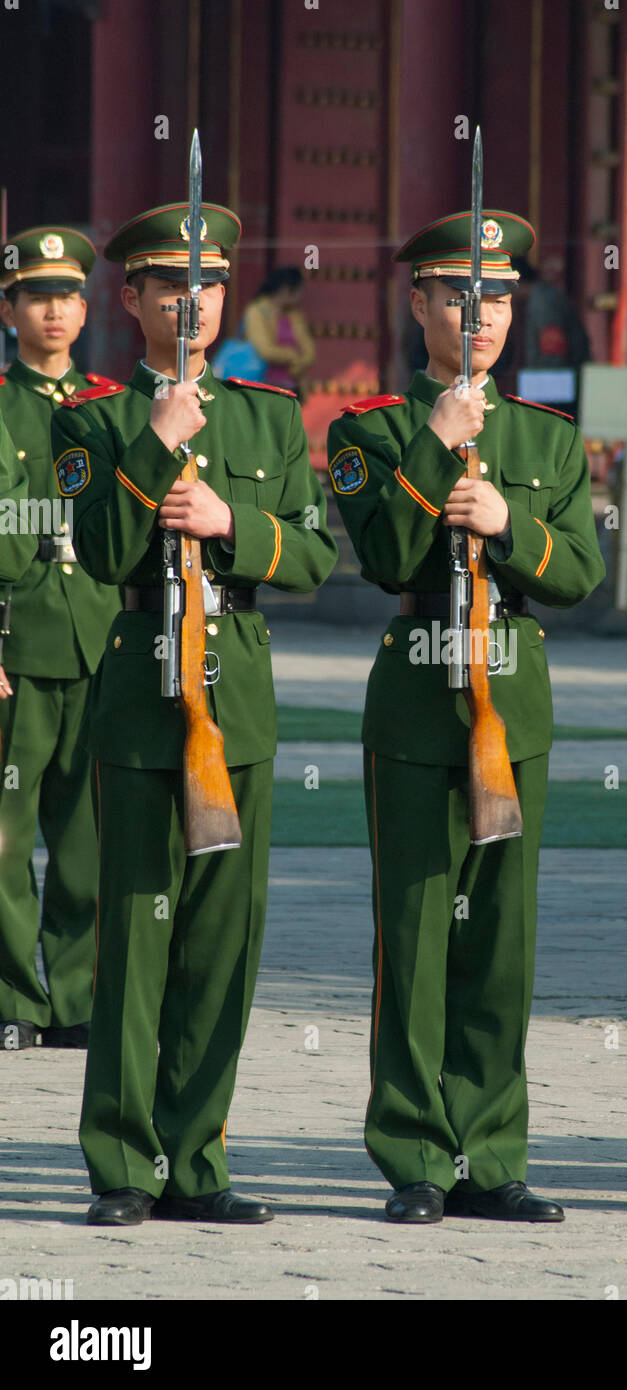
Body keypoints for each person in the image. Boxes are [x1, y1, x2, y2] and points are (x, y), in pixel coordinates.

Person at [50, 201, 337, 1225]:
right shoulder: (89, 418)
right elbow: (103, 549)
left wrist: (235, 524)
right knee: (137, 931)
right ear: (127, 298)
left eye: (210, 282)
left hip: (236, 687)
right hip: (138, 686)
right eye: (170, 283)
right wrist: (153, 444)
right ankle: (126, 1167)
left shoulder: (266, 411)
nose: (194, 300)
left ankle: (197, 1159)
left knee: (223, 935)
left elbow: (311, 552)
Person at [327, 210, 605, 1224]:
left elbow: (578, 571)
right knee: (413, 930)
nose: (479, 315)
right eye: (456, 294)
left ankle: (492, 1153)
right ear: (417, 304)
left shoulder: (547, 438)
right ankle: (412, 1152)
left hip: (511, 692)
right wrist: (438, 447)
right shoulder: (368, 431)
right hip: (415, 691)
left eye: (496, 295)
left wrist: (510, 524)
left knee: (499, 935)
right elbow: (389, 559)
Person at [0, 226, 120, 1051]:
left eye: (69, 295)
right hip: (16, 635)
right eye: (39, 296)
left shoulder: (110, 404)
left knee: (87, 832)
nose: (56, 310)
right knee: (7, 832)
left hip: (100, 630)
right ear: (9, 309)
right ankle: (15, 999)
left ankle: (75, 996)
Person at [241, 267, 315, 396]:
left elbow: (309, 351)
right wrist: (292, 355)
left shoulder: (295, 315)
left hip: (293, 386)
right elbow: (264, 350)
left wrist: (297, 364)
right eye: (299, 291)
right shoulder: (256, 311)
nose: (300, 296)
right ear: (286, 290)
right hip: (263, 385)